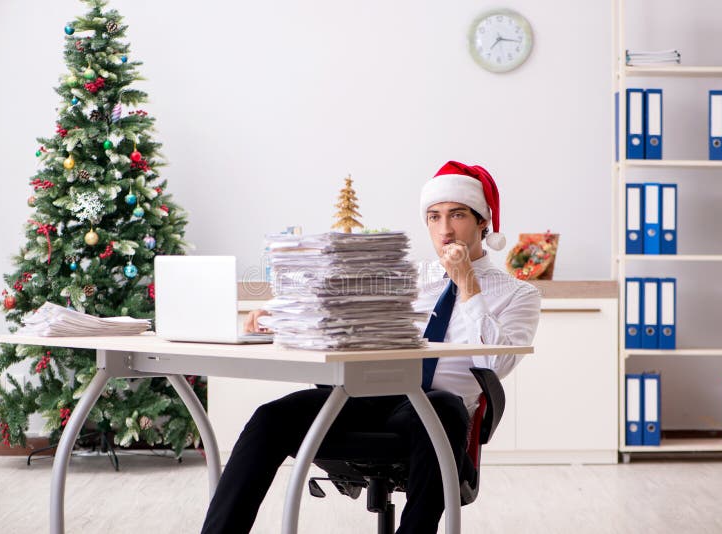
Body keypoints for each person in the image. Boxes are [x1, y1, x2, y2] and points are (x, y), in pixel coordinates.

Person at [201, 161, 541, 534]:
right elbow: (341, 309)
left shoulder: (518, 294)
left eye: (457, 215)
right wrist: (278, 314)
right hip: (369, 397)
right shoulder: (407, 277)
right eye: (434, 217)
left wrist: (467, 284)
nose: (444, 229)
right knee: (270, 419)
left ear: (482, 223)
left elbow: (498, 362)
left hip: (433, 410)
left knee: (443, 407)